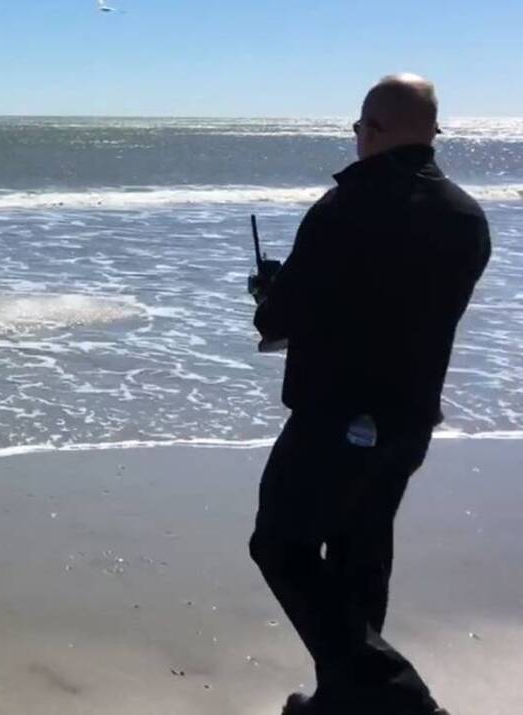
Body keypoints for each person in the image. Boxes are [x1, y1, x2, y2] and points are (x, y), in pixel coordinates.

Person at [247, 74, 491, 715]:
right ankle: (342, 701)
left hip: (335, 416)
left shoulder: (345, 208)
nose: (356, 140)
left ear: (375, 131)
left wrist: (270, 295)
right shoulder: (467, 216)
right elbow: (409, 309)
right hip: (410, 421)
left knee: (280, 544)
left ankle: (398, 697)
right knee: (362, 555)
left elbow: (280, 320)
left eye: (359, 128)